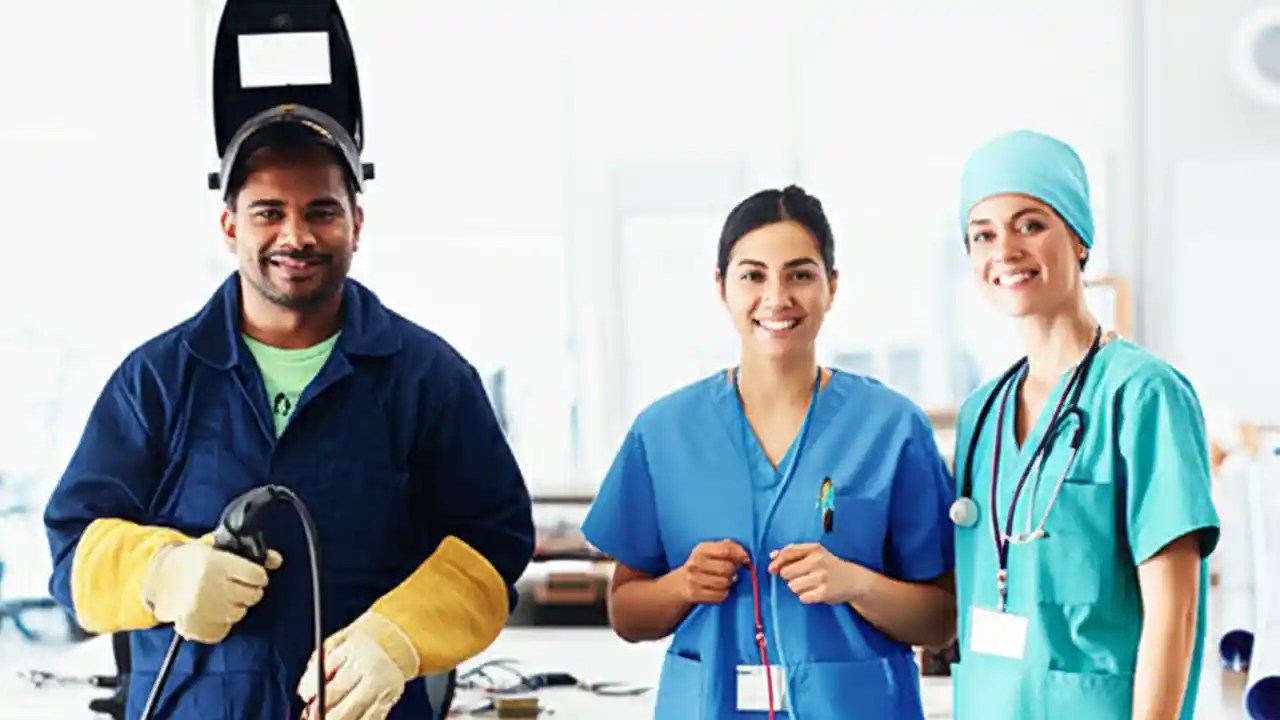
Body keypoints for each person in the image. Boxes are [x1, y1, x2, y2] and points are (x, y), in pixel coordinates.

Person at [42, 105, 535, 720]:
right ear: (230, 225)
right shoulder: (158, 379)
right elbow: (72, 548)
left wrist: (403, 635)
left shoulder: (429, 379)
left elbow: (494, 544)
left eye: (321, 211)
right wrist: (160, 573)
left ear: (356, 222)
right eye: (268, 212)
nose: (295, 235)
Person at [580, 185, 958, 719]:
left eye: (801, 274)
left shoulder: (891, 428)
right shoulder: (664, 432)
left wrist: (858, 584)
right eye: (753, 275)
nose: (776, 298)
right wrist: (681, 586)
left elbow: (941, 619)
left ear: (832, 285)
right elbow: (626, 613)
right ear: (722, 287)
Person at [949, 129, 1221, 720]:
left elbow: (1175, 615)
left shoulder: (1144, 395)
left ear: (1079, 238)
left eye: (1031, 224)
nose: (1006, 250)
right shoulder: (981, 414)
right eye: (983, 234)